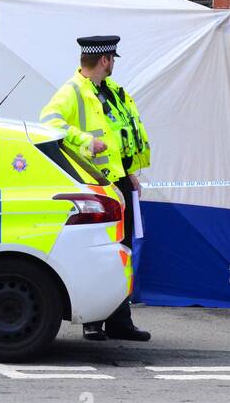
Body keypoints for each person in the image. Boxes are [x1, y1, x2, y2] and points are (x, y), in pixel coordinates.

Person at [40, 35, 152, 342]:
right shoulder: (72, 91)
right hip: (93, 185)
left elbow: (119, 136)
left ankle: (119, 320)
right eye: (112, 59)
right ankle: (93, 322)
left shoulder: (112, 92)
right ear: (104, 60)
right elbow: (48, 121)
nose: (114, 63)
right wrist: (85, 141)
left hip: (117, 182)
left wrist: (130, 173)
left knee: (121, 252)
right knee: (101, 253)